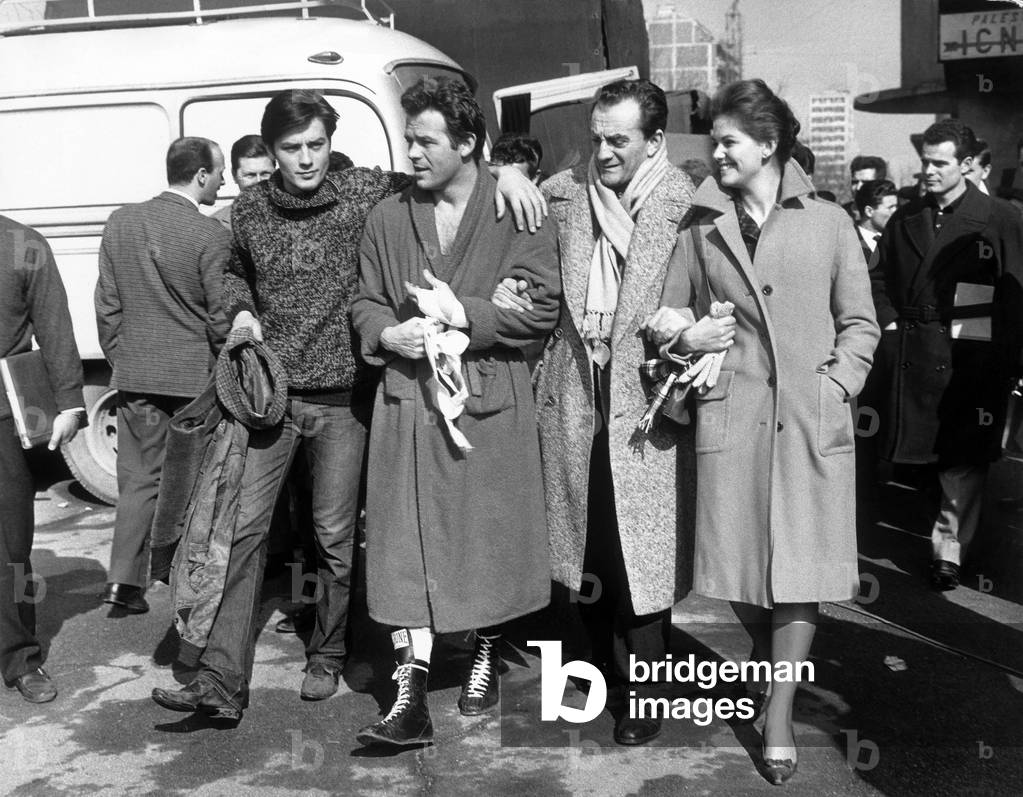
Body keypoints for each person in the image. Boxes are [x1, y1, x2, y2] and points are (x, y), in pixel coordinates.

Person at [150, 88, 548, 724]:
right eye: (290, 148)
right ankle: (221, 680)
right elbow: (226, 271)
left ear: (332, 145)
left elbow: (448, 169)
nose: (305, 159)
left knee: (336, 538)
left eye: (316, 145)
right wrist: (241, 311)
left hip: (345, 402)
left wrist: (508, 172)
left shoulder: (366, 192)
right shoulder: (247, 210)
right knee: (242, 531)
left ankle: (327, 656)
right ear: (270, 149)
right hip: (273, 400)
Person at [646, 78, 879, 783]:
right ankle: (769, 663)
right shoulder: (699, 225)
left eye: (727, 142)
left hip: (809, 424)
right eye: (713, 140)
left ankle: (776, 714)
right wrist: (688, 335)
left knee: (800, 577)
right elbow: (664, 318)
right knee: (742, 575)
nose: (715, 153)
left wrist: (835, 385)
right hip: (734, 422)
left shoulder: (829, 221)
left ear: (769, 145)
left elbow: (860, 323)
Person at [351, 75, 560, 748]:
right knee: (403, 542)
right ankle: (408, 691)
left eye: (425, 140)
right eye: (407, 138)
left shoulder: (515, 211)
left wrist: (464, 313)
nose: (410, 152)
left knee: (486, 539)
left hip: (486, 401)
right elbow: (364, 301)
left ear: (468, 144)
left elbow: (539, 310)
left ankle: (482, 648)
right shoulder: (387, 216)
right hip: (407, 404)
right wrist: (388, 333)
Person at [497, 77, 697, 746]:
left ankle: (644, 689)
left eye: (620, 139)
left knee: (642, 553)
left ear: (654, 140)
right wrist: (503, 173)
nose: (605, 152)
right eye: (597, 139)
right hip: (575, 397)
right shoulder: (560, 197)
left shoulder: (686, 205)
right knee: (589, 546)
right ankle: (592, 673)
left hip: (648, 402)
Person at [869, 119, 1023, 591]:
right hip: (912, 352)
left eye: (940, 164)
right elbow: (876, 279)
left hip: (972, 359)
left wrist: (1010, 361)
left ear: (967, 165)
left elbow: (1016, 296)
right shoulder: (906, 217)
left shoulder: (1000, 217)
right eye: (925, 163)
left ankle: (948, 551)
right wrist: (890, 319)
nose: (929, 172)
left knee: (961, 458)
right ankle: (931, 530)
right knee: (923, 455)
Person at [95, 137, 230, 616]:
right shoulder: (211, 235)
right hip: (194, 382)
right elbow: (220, 318)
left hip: (137, 377)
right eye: (218, 172)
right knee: (195, 485)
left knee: (139, 481)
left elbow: (107, 306)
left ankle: (123, 585)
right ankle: (187, 588)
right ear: (199, 175)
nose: (223, 181)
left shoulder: (121, 222)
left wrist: (125, 360)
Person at [1, 216, 83, 702]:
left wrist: (70, 401)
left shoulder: (22, 244)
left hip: (4, 420)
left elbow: (54, 323)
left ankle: (20, 658)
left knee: (10, 545)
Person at [212, 134, 275, 230]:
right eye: (250, 175)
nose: (258, 182)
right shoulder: (216, 225)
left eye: (265, 174)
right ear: (234, 176)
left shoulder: (296, 217)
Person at [854, 179, 898, 262]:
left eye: (896, 207)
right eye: (890, 207)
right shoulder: (846, 242)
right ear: (869, 211)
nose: (895, 212)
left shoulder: (899, 239)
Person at [843, 154, 888, 220]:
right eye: (855, 182)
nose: (858, 188)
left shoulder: (892, 215)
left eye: (866, 182)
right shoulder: (840, 213)